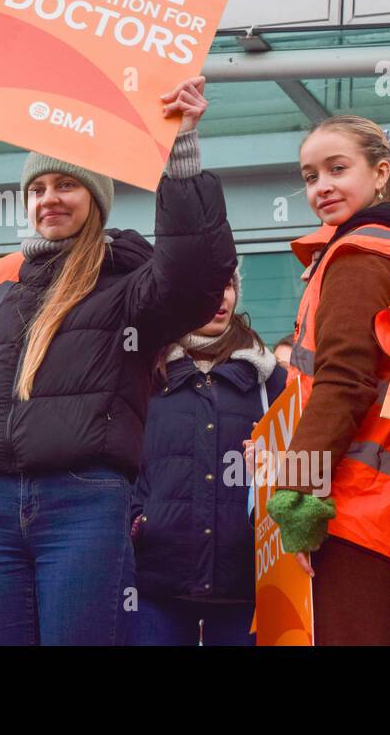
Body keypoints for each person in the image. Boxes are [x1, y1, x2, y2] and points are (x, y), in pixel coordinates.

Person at [0, 76, 237, 646]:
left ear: (96, 199)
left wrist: (181, 151)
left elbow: (196, 277)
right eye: (37, 188)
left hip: (84, 504)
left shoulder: (128, 288)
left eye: (66, 185)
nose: (49, 198)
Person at [268, 114, 390, 645]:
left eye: (337, 169)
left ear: (381, 171)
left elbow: (343, 379)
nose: (321, 187)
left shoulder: (362, 251)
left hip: (353, 510)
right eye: (309, 176)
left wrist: (297, 491)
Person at [128, 270, 285, 646]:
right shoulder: (143, 371)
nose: (221, 296)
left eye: (228, 284)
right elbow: (118, 454)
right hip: (155, 580)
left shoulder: (272, 380)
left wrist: (275, 462)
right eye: (207, 285)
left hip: (245, 582)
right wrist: (135, 517)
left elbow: (308, 464)